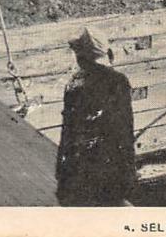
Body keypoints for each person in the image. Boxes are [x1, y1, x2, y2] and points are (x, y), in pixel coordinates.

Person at [56, 27, 136, 206]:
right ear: (106, 53)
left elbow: (67, 132)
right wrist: (129, 174)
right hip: (108, 169)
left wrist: (61, 172)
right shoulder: (118, 81)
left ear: (81, 56)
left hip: (78, 170)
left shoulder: (74, 84)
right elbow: (125, 131)